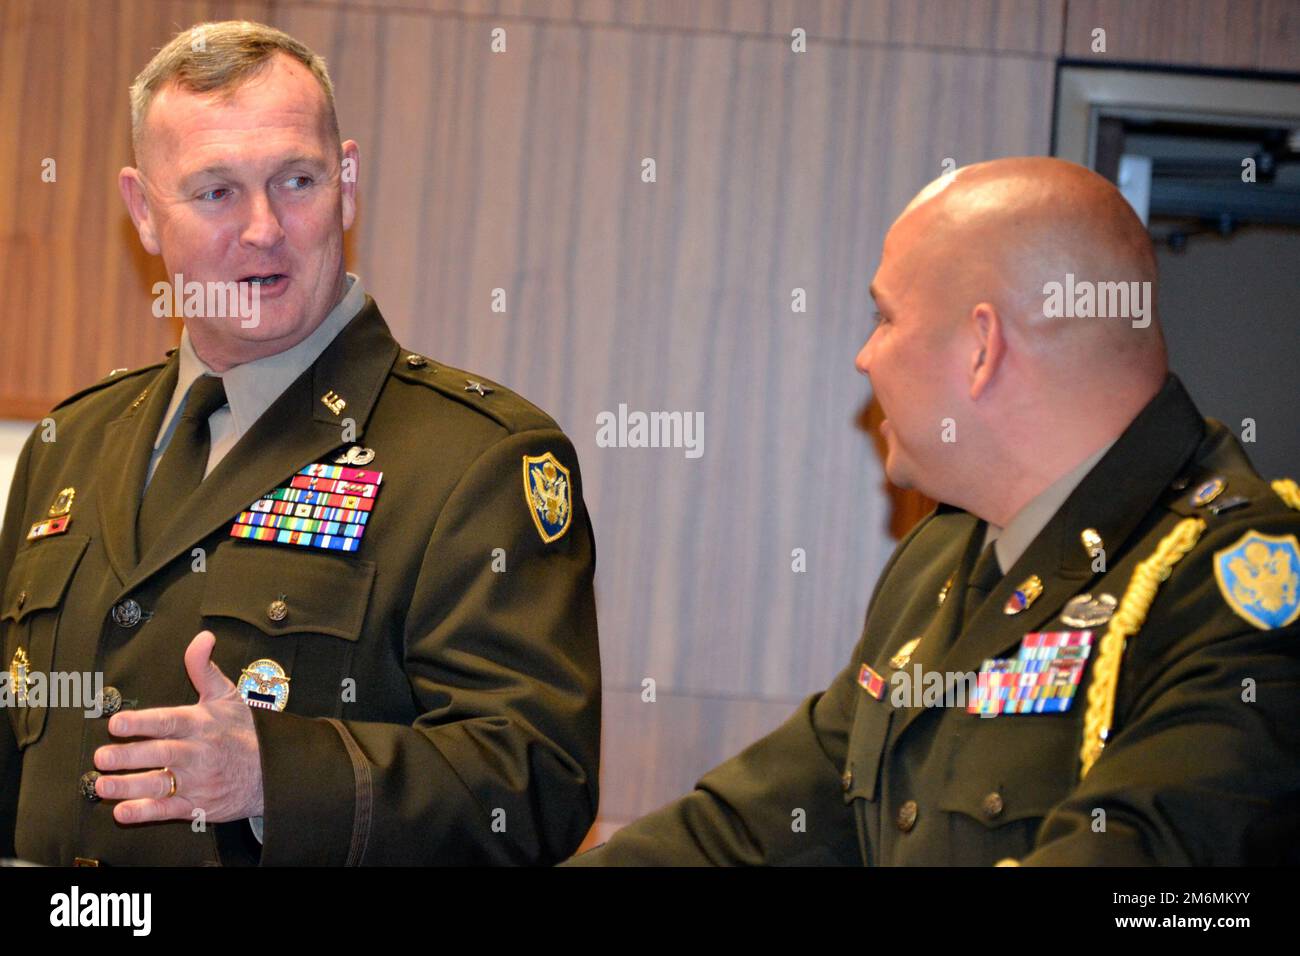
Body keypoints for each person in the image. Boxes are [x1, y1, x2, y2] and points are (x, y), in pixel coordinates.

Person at [566, 156, 1300, 866]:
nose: (865, 358)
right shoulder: (942, 557)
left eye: (884, 319)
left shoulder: (1235, 587)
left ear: (982, 347)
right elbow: (754, 832)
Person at [0, 20, 600, 866]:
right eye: (215, 191)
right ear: (143, 211)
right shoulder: (71, 440)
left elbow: (538, 781)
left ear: (347, 183)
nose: (262, 230)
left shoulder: (479, 459)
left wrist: (273, 779)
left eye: (296, 180)